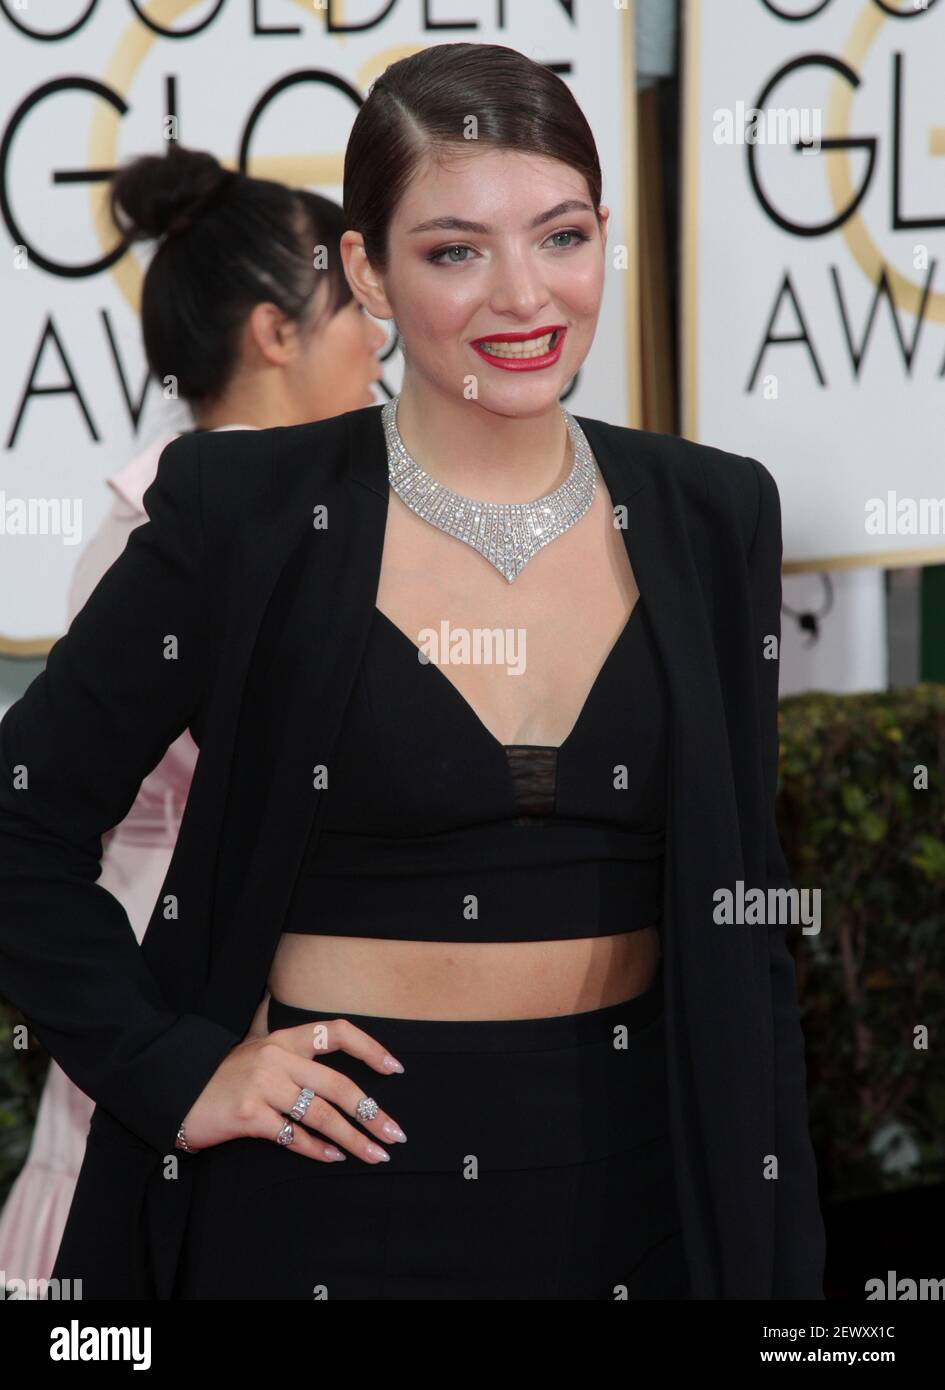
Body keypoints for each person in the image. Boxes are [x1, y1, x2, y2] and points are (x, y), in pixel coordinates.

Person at [0, 44, 827, 1300]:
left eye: (559, 236)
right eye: (453, 251)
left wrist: (779, 1264)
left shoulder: (713, 514)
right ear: (366, 273)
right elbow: (23, 824)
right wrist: (176, 1067)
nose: (520, 296)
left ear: (607, 236)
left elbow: (746, 914)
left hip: (647, 1188)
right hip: (326, 1195)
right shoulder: (250, 513)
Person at [0, 142, 383, 1291]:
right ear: (276, 331)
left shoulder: (298, 508)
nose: (384, 338)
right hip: (180, 996)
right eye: (354, 307)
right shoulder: (172, 531)